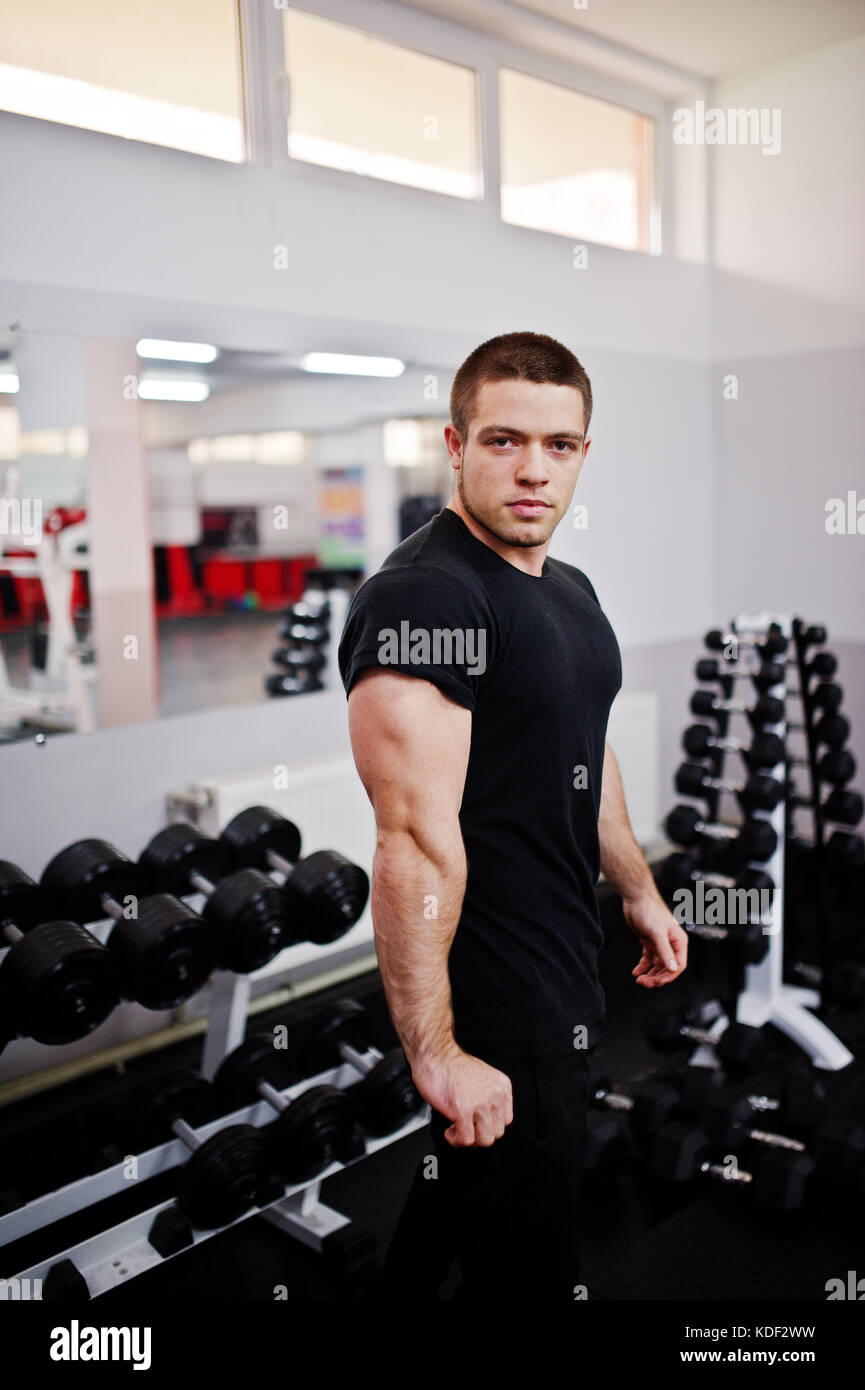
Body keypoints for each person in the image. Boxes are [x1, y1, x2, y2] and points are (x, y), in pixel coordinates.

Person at [338, 331, 688, 1300]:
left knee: (466, 1185)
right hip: (499, 999)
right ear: (454, 444)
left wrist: (637, 888)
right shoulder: (424, 598)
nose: (533, 469)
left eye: (558, 444)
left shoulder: (567, 591)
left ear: (582, 451)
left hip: (567, 954)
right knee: (532, 1260)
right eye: (502, 440)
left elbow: (585, 748)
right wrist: (439, 1051)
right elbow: (409, 845)